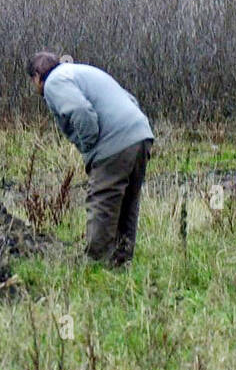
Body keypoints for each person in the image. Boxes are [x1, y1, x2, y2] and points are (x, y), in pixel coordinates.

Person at [26, 51, 154, 266]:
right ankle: (121, 261)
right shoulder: (81, 71)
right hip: (141, 134)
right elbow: (130, 99)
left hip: (114, 143)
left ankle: (96, 263)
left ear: (38, 76)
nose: (34, 86)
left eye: (32, 81)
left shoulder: (54, 82)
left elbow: (80, 110)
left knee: (102, 201)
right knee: (127, 203)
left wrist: (90, 145)